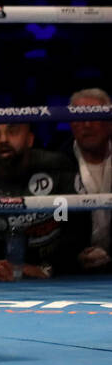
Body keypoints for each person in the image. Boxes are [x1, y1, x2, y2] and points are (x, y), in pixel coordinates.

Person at [0, 123, 82, 280]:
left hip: (64, 273)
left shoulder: (57, 168)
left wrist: (50, 267)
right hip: (3, 277)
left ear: (30, 139)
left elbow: (77, 227)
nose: (3, 140)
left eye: (12, 131)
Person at [67, 88, 111, 271]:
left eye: (94, 116)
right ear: (71, 123)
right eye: (79, 117)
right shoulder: (57, 163)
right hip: (69, 271)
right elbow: (55, 216)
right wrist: (71, 255)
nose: (86, 124)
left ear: (110, 122)